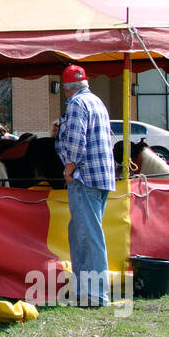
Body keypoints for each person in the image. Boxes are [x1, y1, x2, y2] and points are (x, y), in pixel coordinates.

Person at [54, 64, 115, 307]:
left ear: (67, 89)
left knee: (87, 236)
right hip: (101, 176)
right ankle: (84, 291)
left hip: (84, 177)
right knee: (87, 234)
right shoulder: (97, 102)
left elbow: (76, 140)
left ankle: (95, 295)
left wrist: (69, 170)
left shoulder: (76, 105)